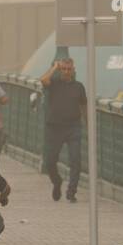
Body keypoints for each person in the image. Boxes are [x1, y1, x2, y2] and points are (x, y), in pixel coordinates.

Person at [40, 57, 86, 202]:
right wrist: (54, 67)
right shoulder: (54, 84)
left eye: (69, 69)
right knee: (50, 161)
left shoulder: (79, 86)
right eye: (63, 69)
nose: (66, 72)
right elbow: (43, 80)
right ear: (60, 71)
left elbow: (83, 105)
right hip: (55, 127)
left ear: (73, 70)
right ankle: (57, 182)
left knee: (75, 160)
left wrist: (88, 122)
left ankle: (71, 192)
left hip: (73, 127)